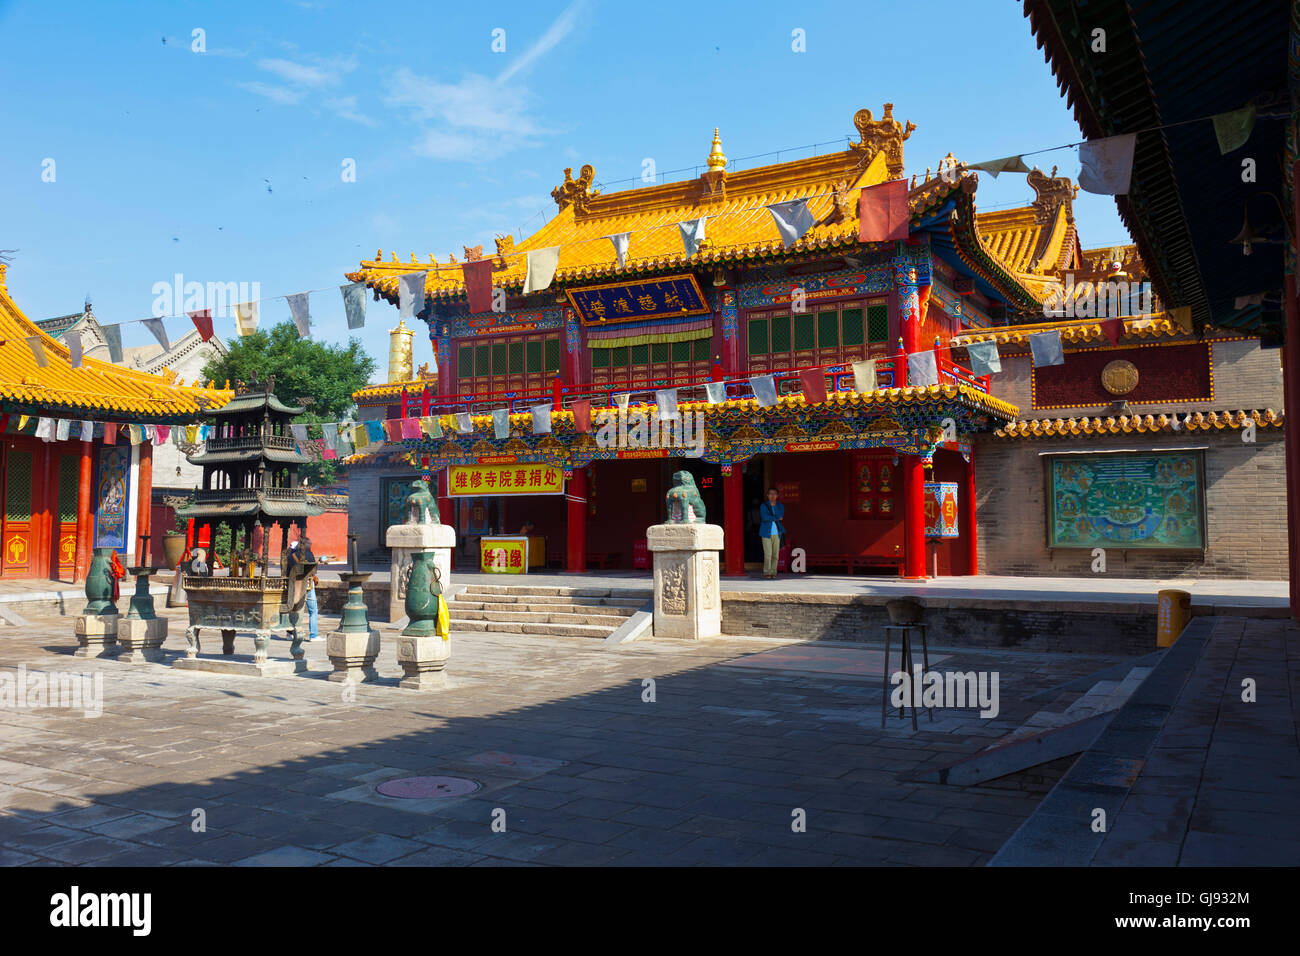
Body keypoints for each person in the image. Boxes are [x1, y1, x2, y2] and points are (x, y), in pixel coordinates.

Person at [288, 537, 320, 642]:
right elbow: (313, 570)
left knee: (293, 608)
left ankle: (290, 633)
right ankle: (313, 635)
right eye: (309, 544)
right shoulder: (309, 554)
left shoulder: (290, 556)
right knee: (313, 610)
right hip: (307, 585)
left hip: (293, 585)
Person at [759, 487, 785, 579]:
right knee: (768, 553)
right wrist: (776, 518)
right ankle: (767, 572)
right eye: (770, 494)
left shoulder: (780, 506)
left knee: (775, 555)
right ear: (767, 495)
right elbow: (764, 518)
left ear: (777, 496)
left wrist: (774, 510)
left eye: (774, 494)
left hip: (777, 532)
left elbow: (781, 516)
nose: (772, 496)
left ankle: (773, 572)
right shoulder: (764, 506)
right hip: (766, 532)